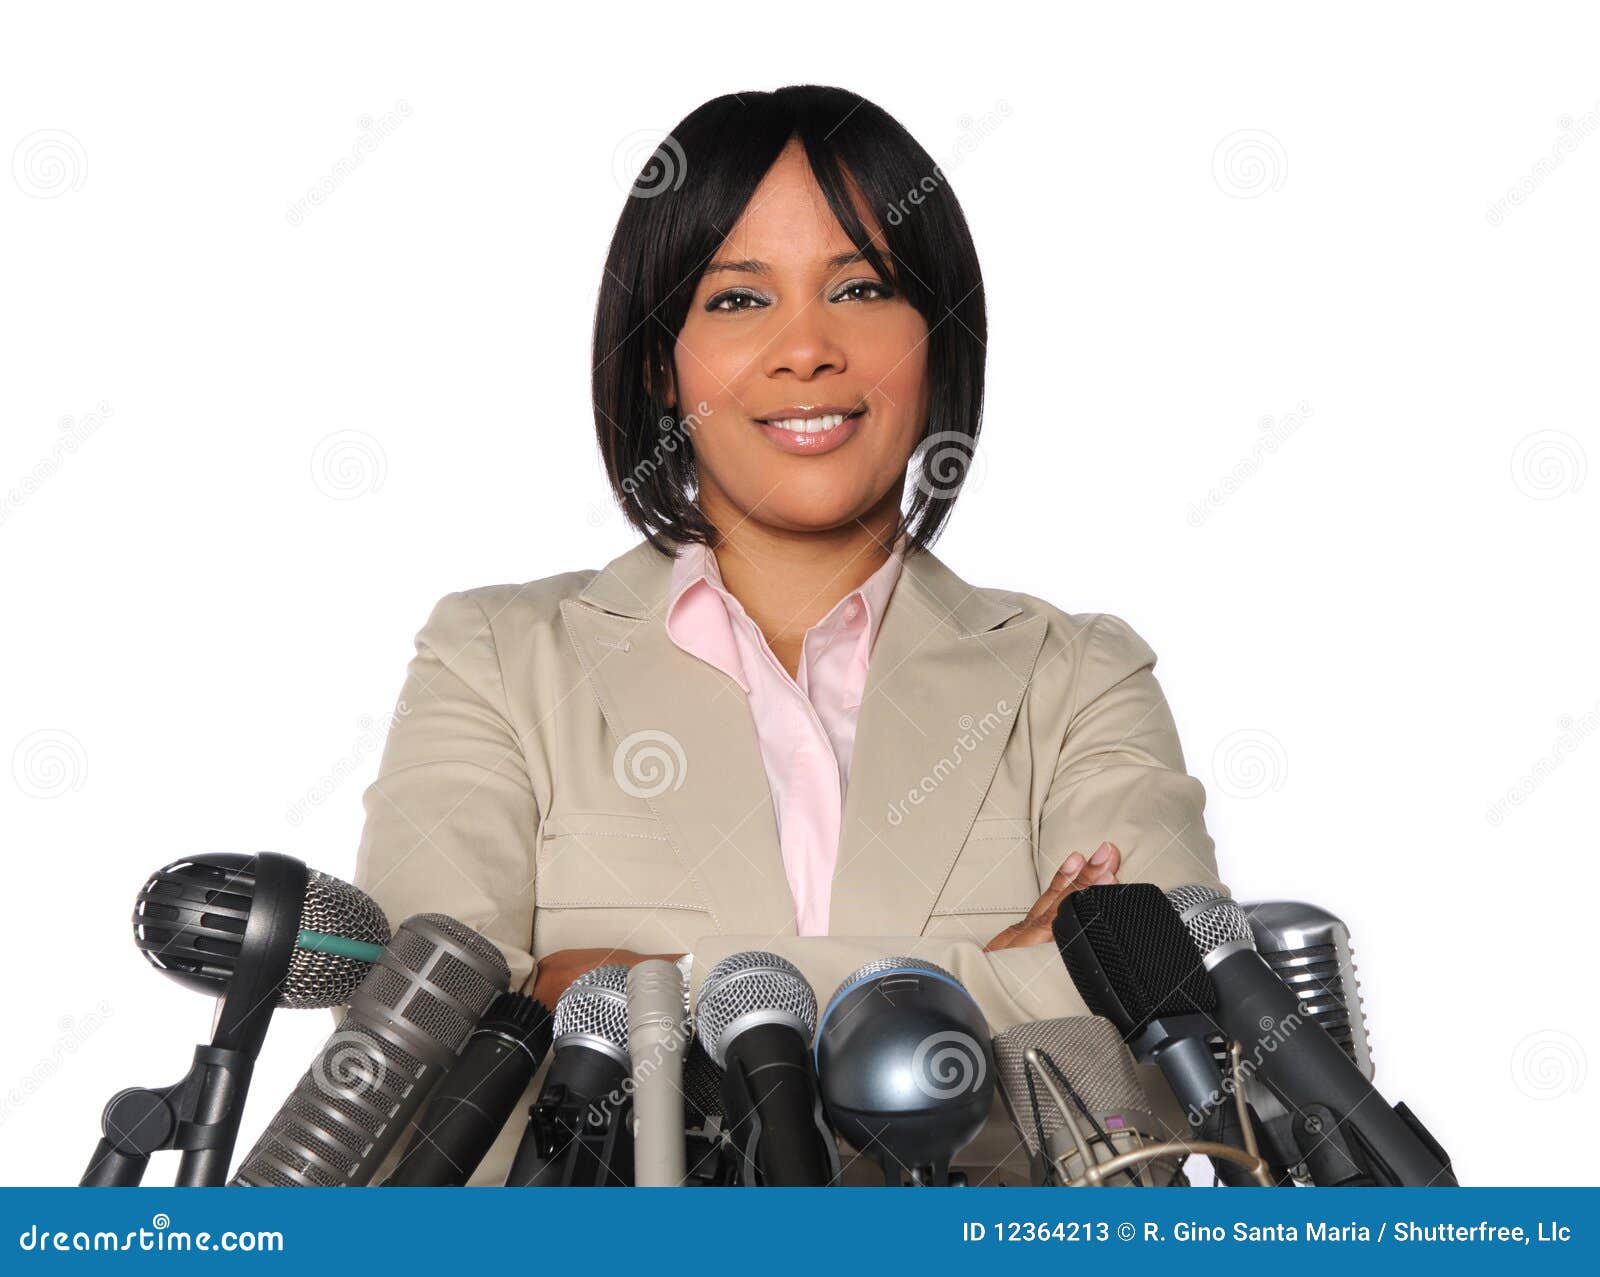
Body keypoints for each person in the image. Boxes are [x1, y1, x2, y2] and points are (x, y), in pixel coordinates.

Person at [350, 84, 1226, 1186]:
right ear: (660, 361)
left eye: (860, 287)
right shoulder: (494, 662)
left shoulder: (1079, 679)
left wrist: (629, 993)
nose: (806, 348)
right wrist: (986, 986)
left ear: (938, 337)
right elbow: (420, 1084)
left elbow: (1166, 1070)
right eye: (737, 298)